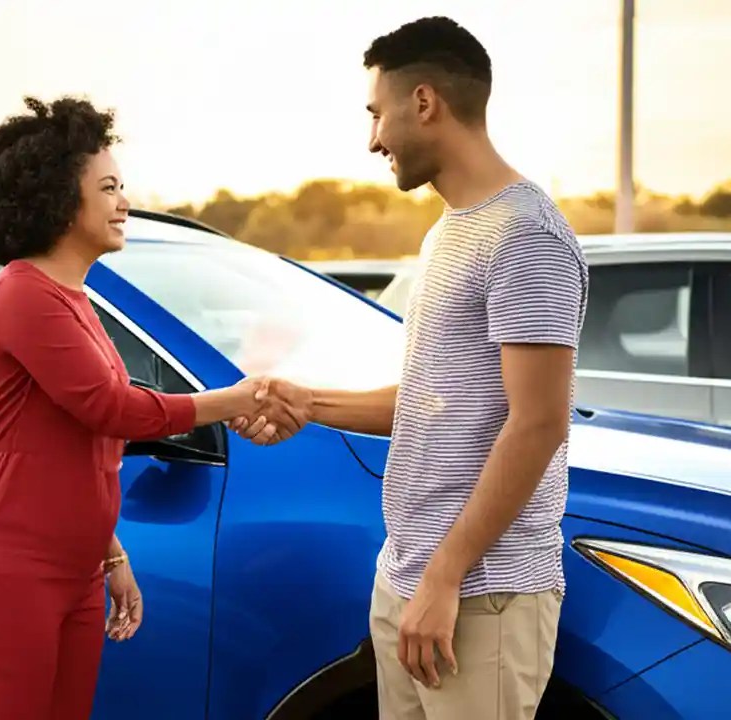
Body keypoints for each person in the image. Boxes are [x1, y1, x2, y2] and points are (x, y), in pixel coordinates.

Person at [233, 16, 589, 720]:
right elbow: (433, 401)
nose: (373, 140)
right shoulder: (451, 232)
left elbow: (539, 424)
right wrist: (310, 404)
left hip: (482, 595)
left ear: (424, 102)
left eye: (377, 114)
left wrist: (446, 576)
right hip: (410, 581)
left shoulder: (529, 237)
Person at [0, 95, 291, 720]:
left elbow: (71, 449)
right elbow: (110, 409)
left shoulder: (74, 301)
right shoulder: (21, 293)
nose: (125, 203)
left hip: (72, 573)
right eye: (111, 188)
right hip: (4, 572)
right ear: (60, 199)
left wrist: (109, 552)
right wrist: (232, 398)